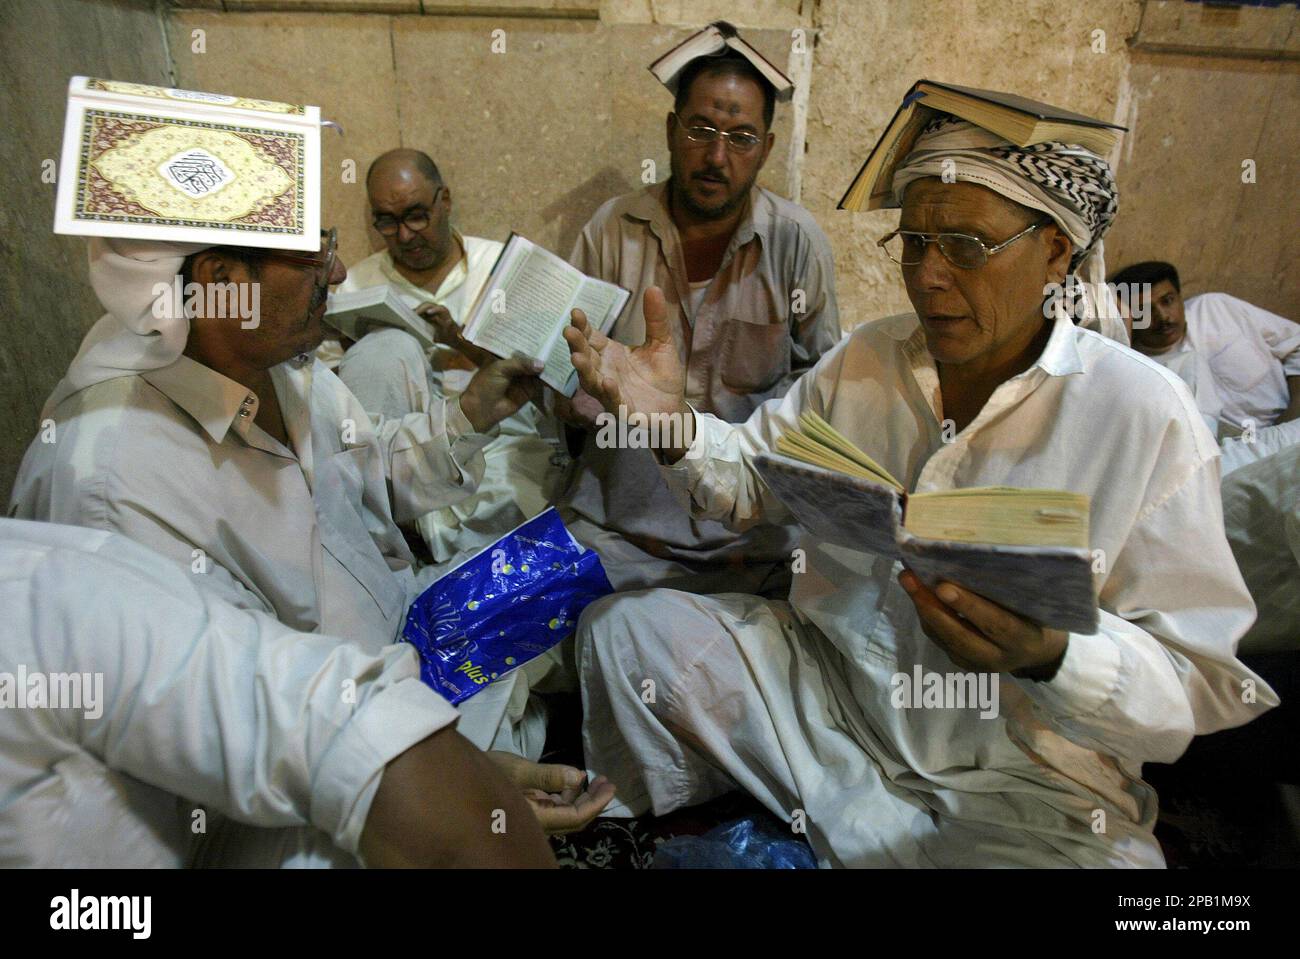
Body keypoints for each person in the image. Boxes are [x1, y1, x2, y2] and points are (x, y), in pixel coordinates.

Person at [563, 105, 1277, 867]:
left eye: (966, 245)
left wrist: (1053, 655)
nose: (929, 275)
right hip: (829, 696)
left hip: (1017, 773)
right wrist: (672, 424)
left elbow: (1200, 683)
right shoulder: (869, 357)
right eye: (915, 242)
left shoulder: (1143, 415)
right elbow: (752, 483)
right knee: (625, 635)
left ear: (1056, 254)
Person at [0, 518, 619, 868]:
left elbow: (348, 732)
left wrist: (451, 784)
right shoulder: (114, 496)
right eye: (313, 274)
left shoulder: (39, 607)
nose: (339, 278)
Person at [556, 28, 842, 596]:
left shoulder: (796, 243)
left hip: (753, 548)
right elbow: (562, 382)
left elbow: (825, 397)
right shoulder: (611, 230)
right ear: (671, 130)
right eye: (701, 130)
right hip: (620, 536)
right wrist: (590, 397)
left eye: (741, 138)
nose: (717, 157)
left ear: (766, 147)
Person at [322, 150, 566, 567]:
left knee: (516, 511)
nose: (404, 235)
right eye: (387, 221)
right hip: (401, 454)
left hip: (503, 446)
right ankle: (395, 538)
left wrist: (460, 343)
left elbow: (552, 379)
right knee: (385, 349)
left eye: (417, 215)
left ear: (445, 200)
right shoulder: (352, 285)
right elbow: (323, 396)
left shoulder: (503, 269)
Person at [1112, 260, 1300, 431]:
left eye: (1167, 301)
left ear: (1179, 296)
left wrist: (1293, 414)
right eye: (1145, 311)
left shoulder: (1215, 308)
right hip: (1239, 452)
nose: (1163, 317)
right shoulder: (1144, 370)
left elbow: (1295, 342)